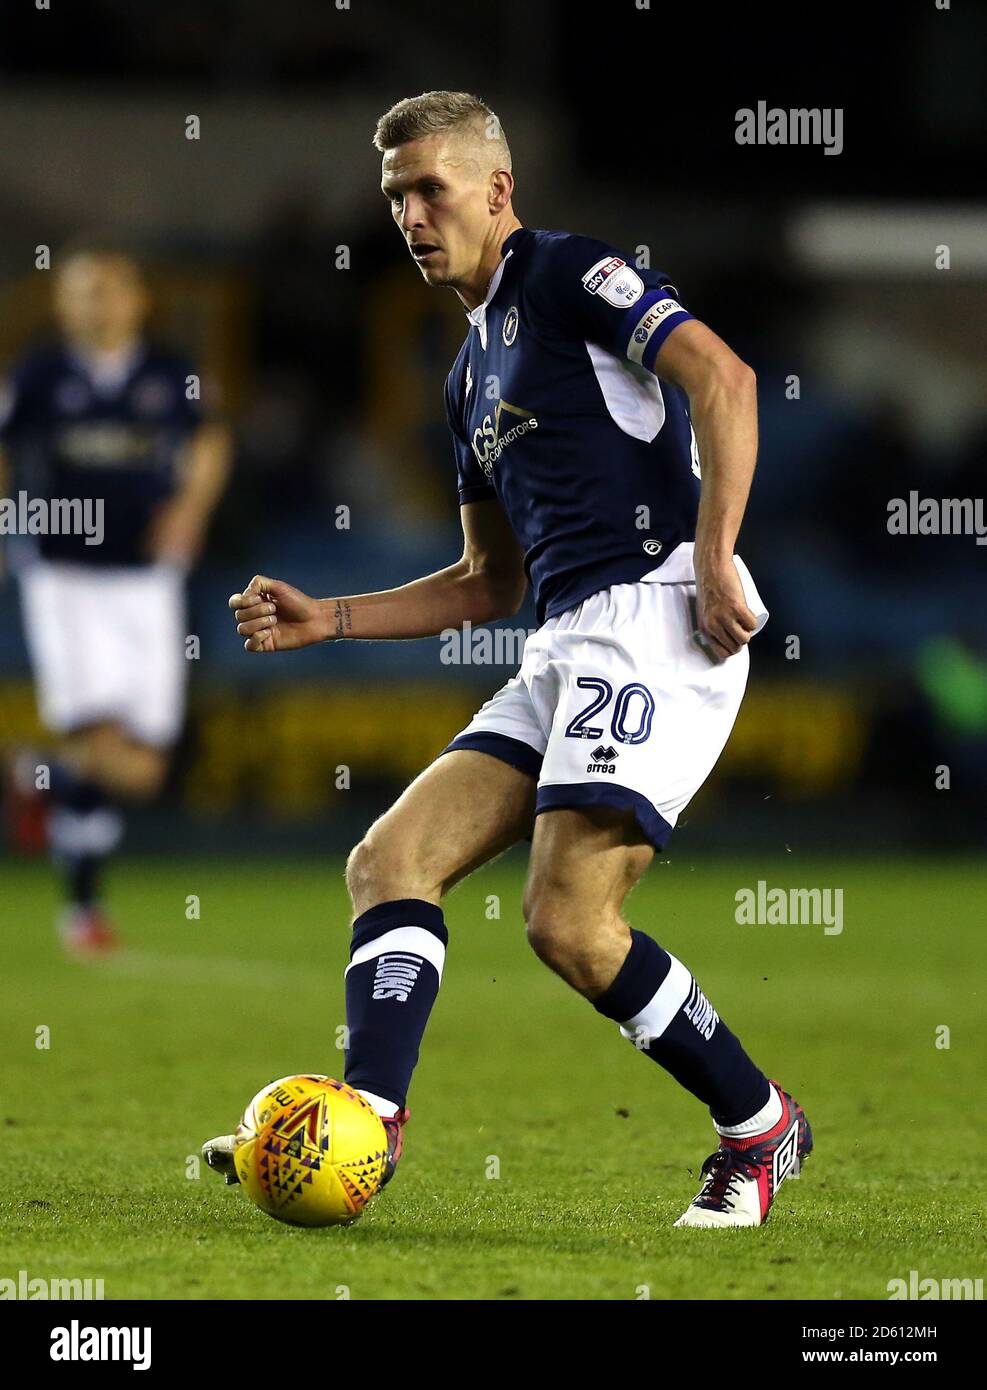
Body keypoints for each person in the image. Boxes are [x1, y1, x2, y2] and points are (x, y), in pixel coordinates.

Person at [206, 92, 811, 1227]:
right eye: (395, 197)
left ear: (498, 188)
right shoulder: (465, 375)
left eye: (431, 188)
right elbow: (488, 583)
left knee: (568, 923)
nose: (411, 214)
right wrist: (324, 617)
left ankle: (760, 1126)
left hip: (662, 614)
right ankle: (370, 1125)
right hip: (570, 633)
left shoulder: (569, 274)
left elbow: (724, 380)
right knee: (389, 861)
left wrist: (718, 551)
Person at [0, 241, 230, 955]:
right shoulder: (39, 374)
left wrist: (190, 509)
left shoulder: (170, 373)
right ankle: (84, 913)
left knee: (144, 767)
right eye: (81, 290)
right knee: (102, 740)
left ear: (136, 299)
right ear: (63, 302)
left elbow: (209, 442)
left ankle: (31, 766)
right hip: (63, 572)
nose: (95, 302)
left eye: (108, 289)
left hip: (146, 575)